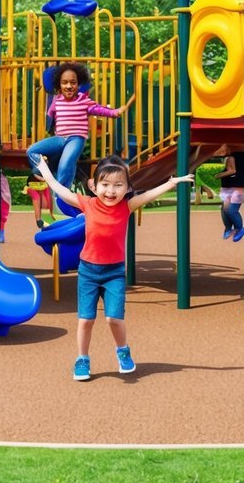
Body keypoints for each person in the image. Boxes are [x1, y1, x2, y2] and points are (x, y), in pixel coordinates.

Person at [34, 152, 192, 381]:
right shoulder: (87, 204)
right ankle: (82, 359)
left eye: (118, 185)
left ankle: (123, 351)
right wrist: (45, 169)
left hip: (114, 273)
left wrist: (171, 183)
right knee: (86, 319)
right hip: (88, 271)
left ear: (127, 188)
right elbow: (61, 190)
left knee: (113, 318)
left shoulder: (126, 207)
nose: (111, 191)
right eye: (105, 184)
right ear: (94, 186)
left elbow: (148, 195)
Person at [26, 62, 134, 196]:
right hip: (60, 139)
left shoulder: (83, 101)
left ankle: (61, 195)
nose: (69, 86)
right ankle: (41, 172)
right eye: (64, 83)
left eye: (73, 82)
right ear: (59, 85)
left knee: (66, 164)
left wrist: (115, 112)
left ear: (79, 84)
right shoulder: (57, 100)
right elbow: (50, 116)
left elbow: (99, 110)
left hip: (76, 138)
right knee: (32, 151)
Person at [215, 144, 244, 242]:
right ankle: (229, 228)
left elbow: (232, 170)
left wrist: (218, 175)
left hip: (236, 188)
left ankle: (239, 228)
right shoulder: (232, 157)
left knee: (231, 210)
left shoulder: (232, 157)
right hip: (229, 187)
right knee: (225, 209)